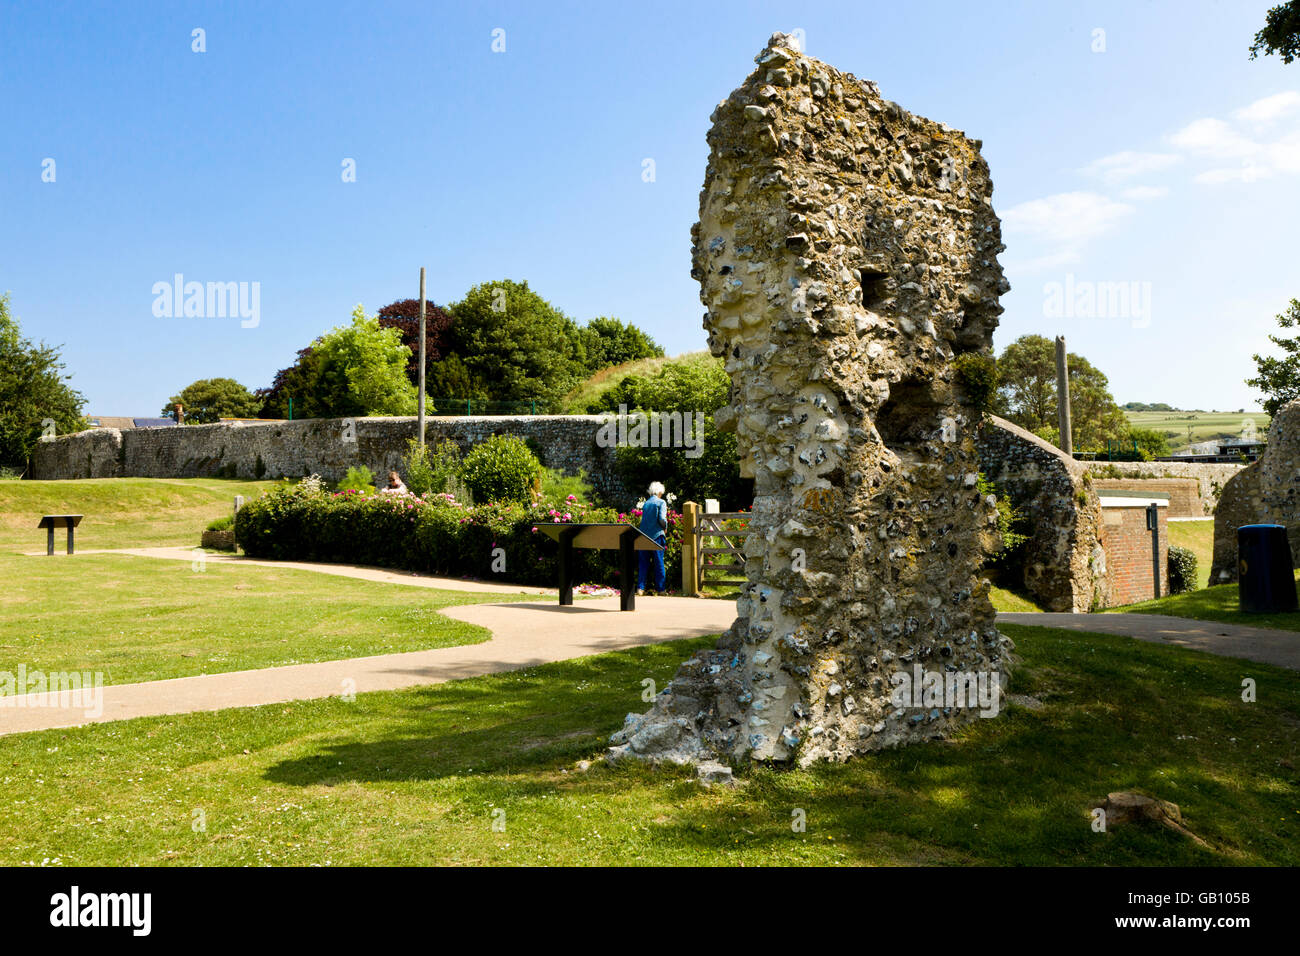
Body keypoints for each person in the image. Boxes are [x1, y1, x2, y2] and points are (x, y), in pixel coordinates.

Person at [636, 481, 668, 595]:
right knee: (658, 562)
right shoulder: (661, 502)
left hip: (643, 536)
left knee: (643, 563)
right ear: (659, 492)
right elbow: (662, 519)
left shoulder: (646, 504)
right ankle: (661, 589)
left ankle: (640, 588)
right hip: (657, 535)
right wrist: (665, 527)